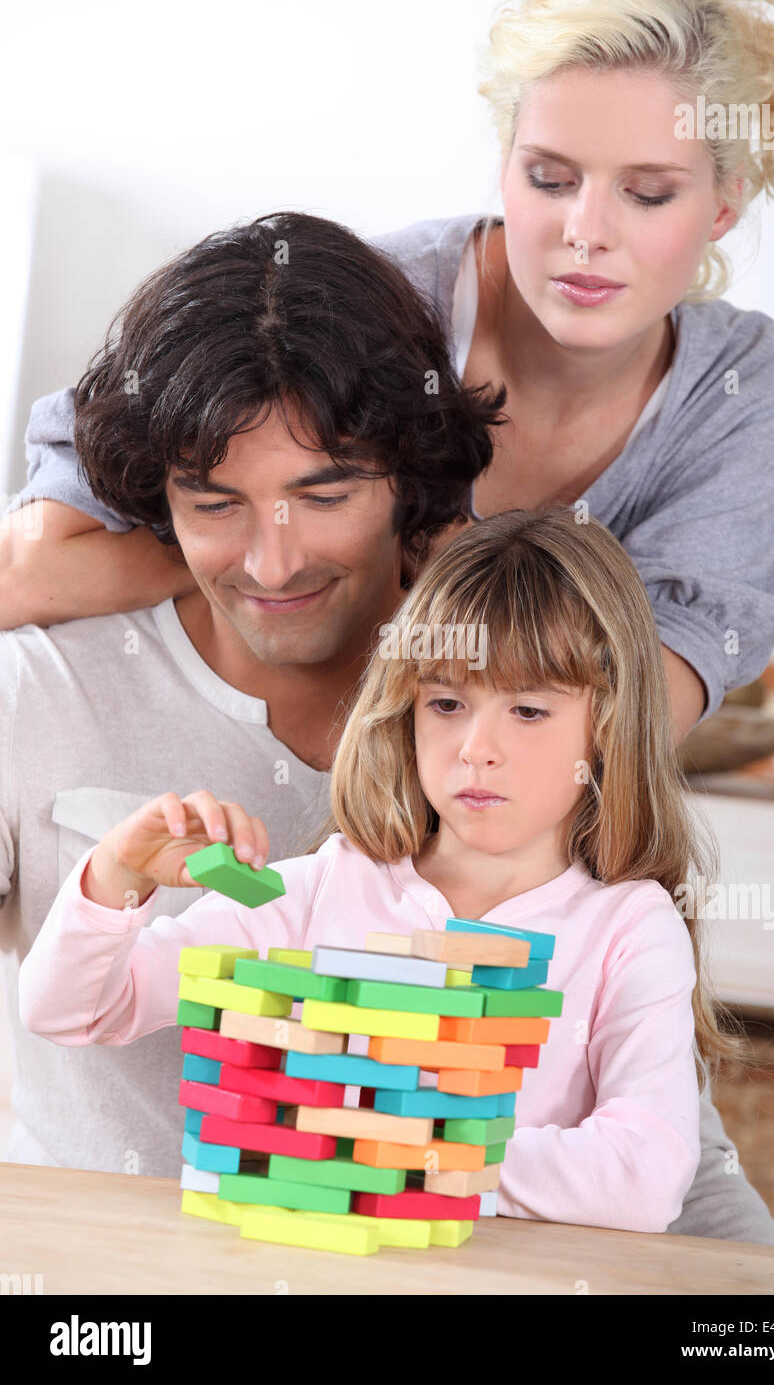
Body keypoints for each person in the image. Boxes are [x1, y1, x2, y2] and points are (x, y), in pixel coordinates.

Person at [0, 0, 774, 744]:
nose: (584, 230)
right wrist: (333, 562)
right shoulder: (359, 300)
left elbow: (634, 713)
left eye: (647, 193)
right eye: (549, 178)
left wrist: (406, 559)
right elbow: (35, 566)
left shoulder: (743, 394)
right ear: (506, 165)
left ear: (723, 204)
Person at [21, 508, 754, 1233]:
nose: (476, 747)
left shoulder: (629, 926)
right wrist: (117, 874)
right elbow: (72, 1009)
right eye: (446, 703)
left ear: (606, 726)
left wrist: (394, 1143)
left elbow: (644, 1179)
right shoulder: (324, 886)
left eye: (528, 711)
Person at [0, 209, 498, 1177]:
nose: (272, 563)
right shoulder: (34, 689)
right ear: (152, 501)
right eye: (214, 504)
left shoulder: (495, 718)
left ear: (407, 479)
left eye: (324, 496)